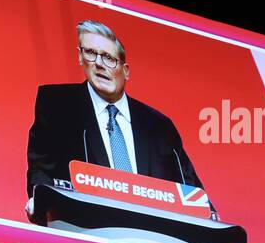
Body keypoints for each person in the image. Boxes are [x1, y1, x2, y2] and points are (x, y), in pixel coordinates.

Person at [25, 20, 210, 217]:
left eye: (108, 58)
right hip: (83, 227)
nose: (99, 64)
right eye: (90, 53)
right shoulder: (58, 104)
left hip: (151, 234)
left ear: (126, 70)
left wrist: (221, 235)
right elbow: (42, 169)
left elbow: (192, 192)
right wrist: (40, 198)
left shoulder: (159, 126)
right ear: (80, 57)